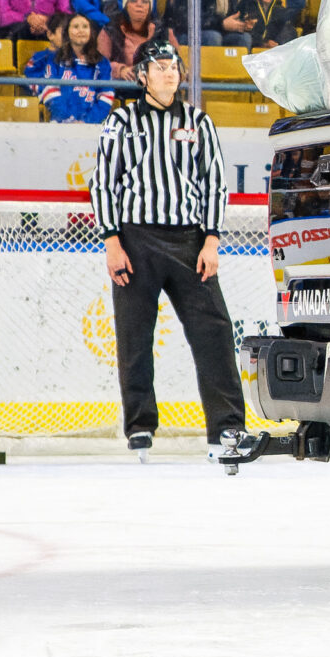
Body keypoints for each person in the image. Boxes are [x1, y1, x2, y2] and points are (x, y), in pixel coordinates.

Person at [91, 40, 252, 462]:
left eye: (173, 67)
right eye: (159, 67)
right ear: (142, 74)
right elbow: (104, 181)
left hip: (189, 241)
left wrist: (212, 239)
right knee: (134, 338)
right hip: (135, 241)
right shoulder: (121, 121)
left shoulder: (197, 120)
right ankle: (140, 428)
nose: (168, 74)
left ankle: (228, 429)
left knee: (214, 332)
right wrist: (111, 240)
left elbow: (215, 182)